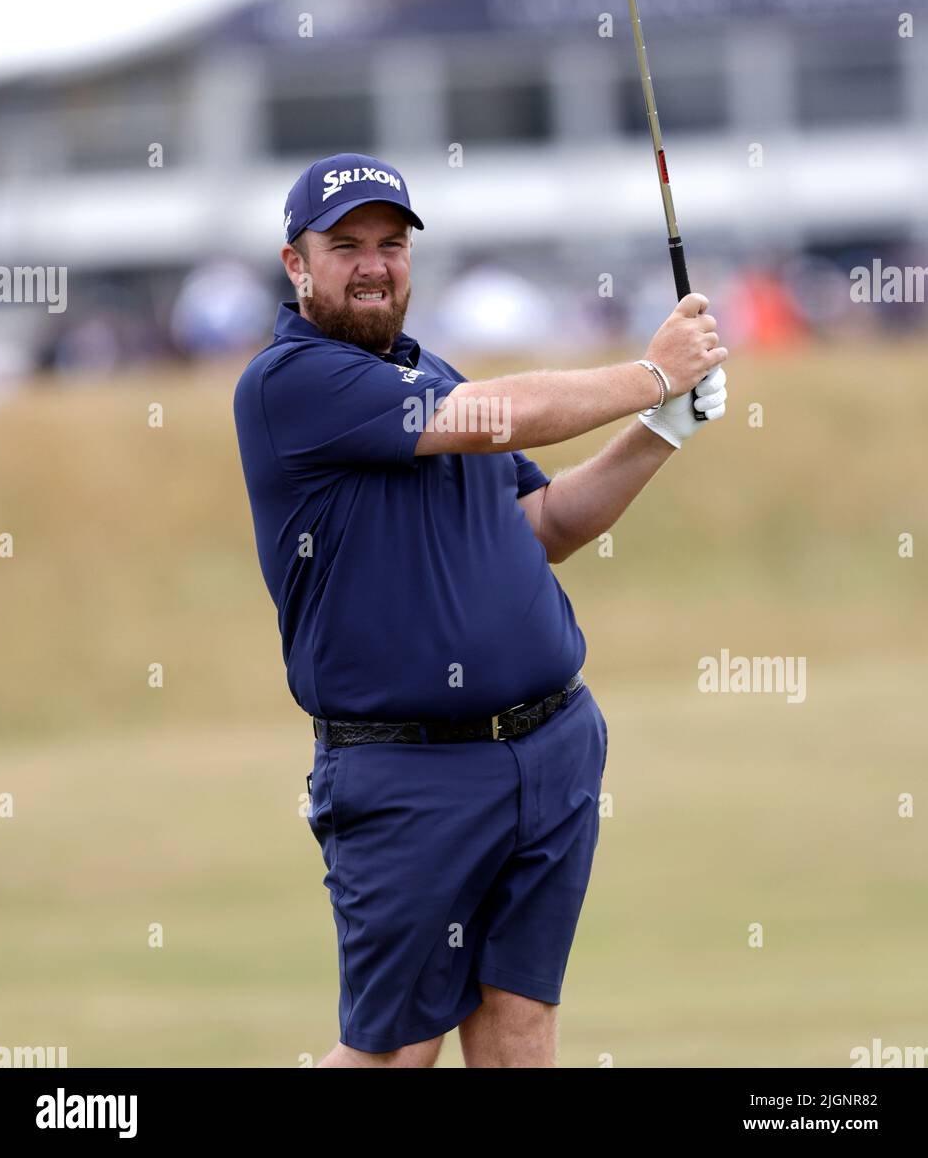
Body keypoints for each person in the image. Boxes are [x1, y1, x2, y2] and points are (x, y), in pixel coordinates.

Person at [232, 151, 728, 1069]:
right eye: (344, 246)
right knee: (395, 1053)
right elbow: (491, 416)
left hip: (551, 750)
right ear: (297, 265)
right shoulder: (290, 384)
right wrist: (649, 375)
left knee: (519, 1028)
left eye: (390, 243)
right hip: (410, 775)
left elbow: (545, 526)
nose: (373, 263)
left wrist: (659, 432)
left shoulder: (433, 373)